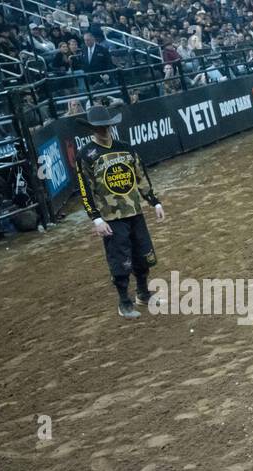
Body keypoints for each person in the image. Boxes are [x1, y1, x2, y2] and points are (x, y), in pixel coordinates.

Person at [74, 104, 167, 319]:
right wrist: (96, 218)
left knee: (142, 253)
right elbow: (85, 189)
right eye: (99, 128)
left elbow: (140, 176)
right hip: (111, 217)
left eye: (106, 126)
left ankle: (143, 293)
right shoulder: (86, 155)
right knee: (120, 258)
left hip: (134, 210)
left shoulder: (125, 148)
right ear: (92, 130)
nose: (104, 131)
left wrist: (154, 202)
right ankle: (124, 301)